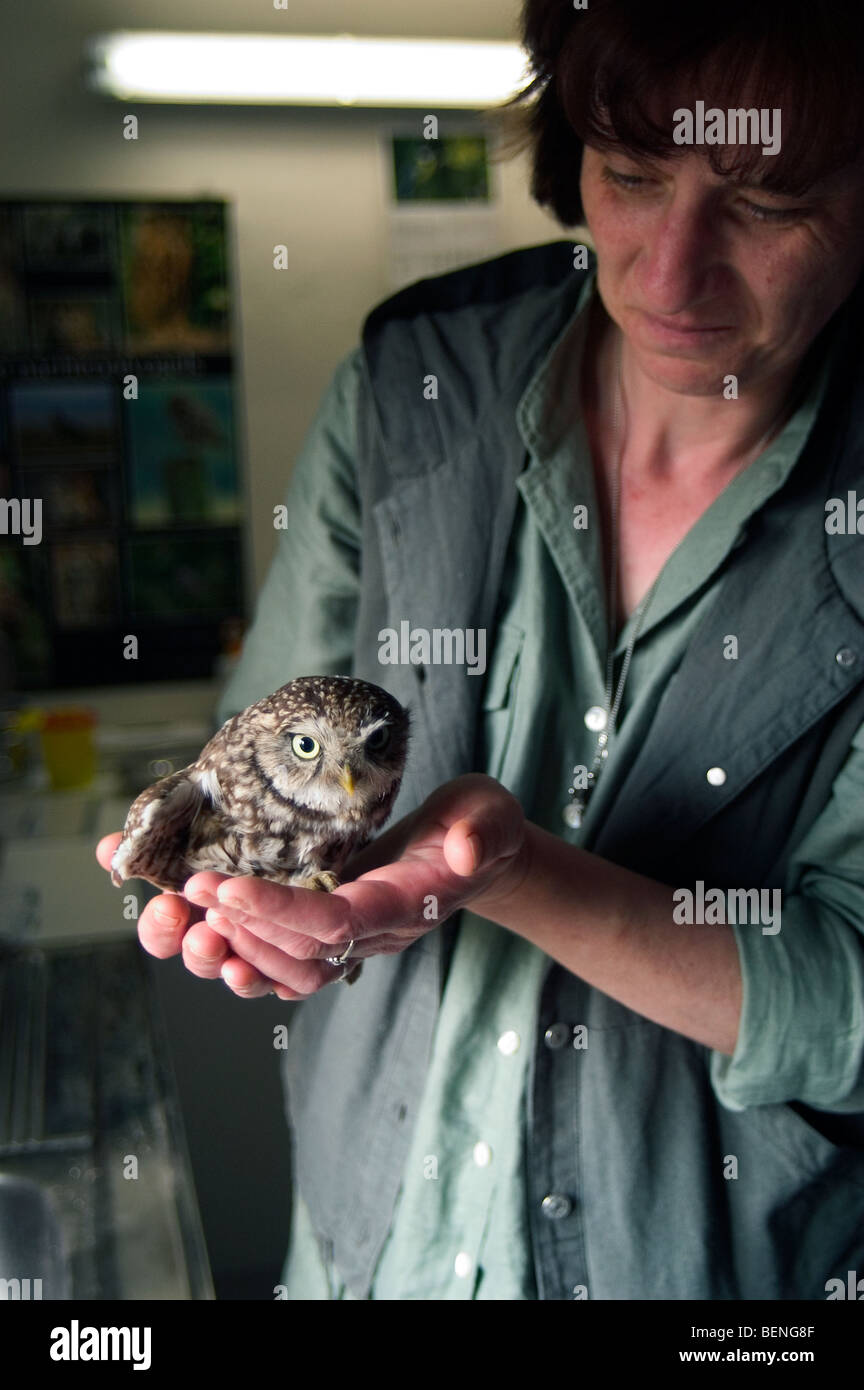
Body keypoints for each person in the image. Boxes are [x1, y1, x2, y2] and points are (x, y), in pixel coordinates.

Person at [97, 0, 864, 1300]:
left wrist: (509, 871)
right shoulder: (413, 382)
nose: (671, 274)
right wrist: (240, 901)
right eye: (629, 176)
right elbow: (246, 769)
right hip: (361, 1250)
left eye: (768, 200)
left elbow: (852, 1007)